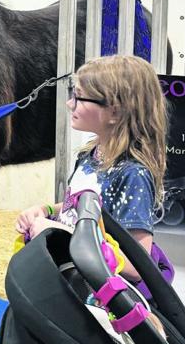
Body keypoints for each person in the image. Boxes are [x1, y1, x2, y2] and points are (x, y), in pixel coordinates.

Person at [16, 54, 168, 284]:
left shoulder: (133, 174)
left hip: (95, 301)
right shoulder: (89, 154)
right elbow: (82, 206)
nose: (69, 104)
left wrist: (62, 234)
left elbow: (138, 267)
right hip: (69, 280)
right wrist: (46, 210)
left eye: (79, 98)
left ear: (114, 112)